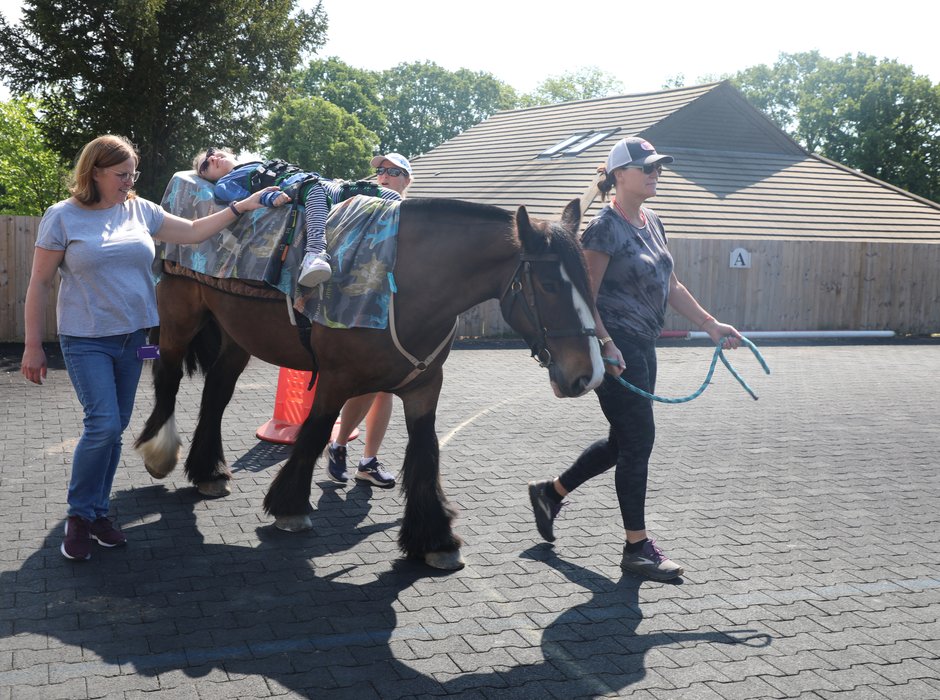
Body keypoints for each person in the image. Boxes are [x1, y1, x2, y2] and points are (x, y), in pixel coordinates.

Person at [20, 134, 277, 562]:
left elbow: (194, 232)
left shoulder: (139, 210)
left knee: (116, 429)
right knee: (102, 426)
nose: (128, 181)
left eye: (132, 174)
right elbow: (39, 282)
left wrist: (241, 207)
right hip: (86, 339)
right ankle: (80, 517)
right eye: (121, 175)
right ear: (95, 172)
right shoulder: (62, 217)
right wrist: (32, 345)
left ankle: (99, 513)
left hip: (133, 339)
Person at [527, 136, 743, 582]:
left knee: (623, 440)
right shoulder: (605, 227)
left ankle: (551, 492)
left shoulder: (652, 221)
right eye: (646, 167)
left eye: (658, 167)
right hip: (616, 349)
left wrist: (710, 324)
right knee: (639, 440)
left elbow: (671, 284)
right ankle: (637, 548)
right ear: (618, 175)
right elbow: (584, 295)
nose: (655, 173)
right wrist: (606, 343)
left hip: (643, 346)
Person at [326, 153, 413, 489]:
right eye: (380, 172)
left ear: (407, 179)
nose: (384, 176)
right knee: (368, 383)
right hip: (362, 309)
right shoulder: (368, 206)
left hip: (395, 316)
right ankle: (339, 445)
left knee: (384, 390)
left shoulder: (411, 216)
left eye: (393, 172)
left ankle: (366, 461)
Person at [194, 149, 403, 287]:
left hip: (326, 184)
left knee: (391, 196)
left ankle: (396, 250)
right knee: (315, 190)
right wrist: (270, 196)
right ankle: (314, 254)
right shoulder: (225, 183)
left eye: (213, 152)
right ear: (209, 177)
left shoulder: (259, 162)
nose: (213, 158)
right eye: (206, 165)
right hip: (294, 188)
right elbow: (246, 199)